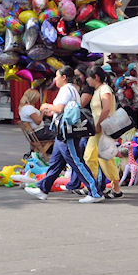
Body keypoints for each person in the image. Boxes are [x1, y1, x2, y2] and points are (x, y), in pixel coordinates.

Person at [24, 66, 102, 203]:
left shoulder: (66, 90)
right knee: (56, 163)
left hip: (68, 133)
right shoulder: (71, 89)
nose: (55, 79)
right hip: (62, 132)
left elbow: (60, 108)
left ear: (64, 77)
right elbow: (63, 110)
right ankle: (43, 188)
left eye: (57, 76)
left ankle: (95, 192)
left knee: (77, 162)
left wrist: (46, 106)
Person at [84, 66, 123, 198]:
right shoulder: (98, 90)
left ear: (96, 77)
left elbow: (106, 109)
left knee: (106, 159)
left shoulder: (105, 89)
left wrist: (99, 124)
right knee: (89, 157)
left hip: (104, 129)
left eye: (89, 77)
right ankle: (92, 184)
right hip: (97, 130)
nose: (87, 80)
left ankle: (116, 189)